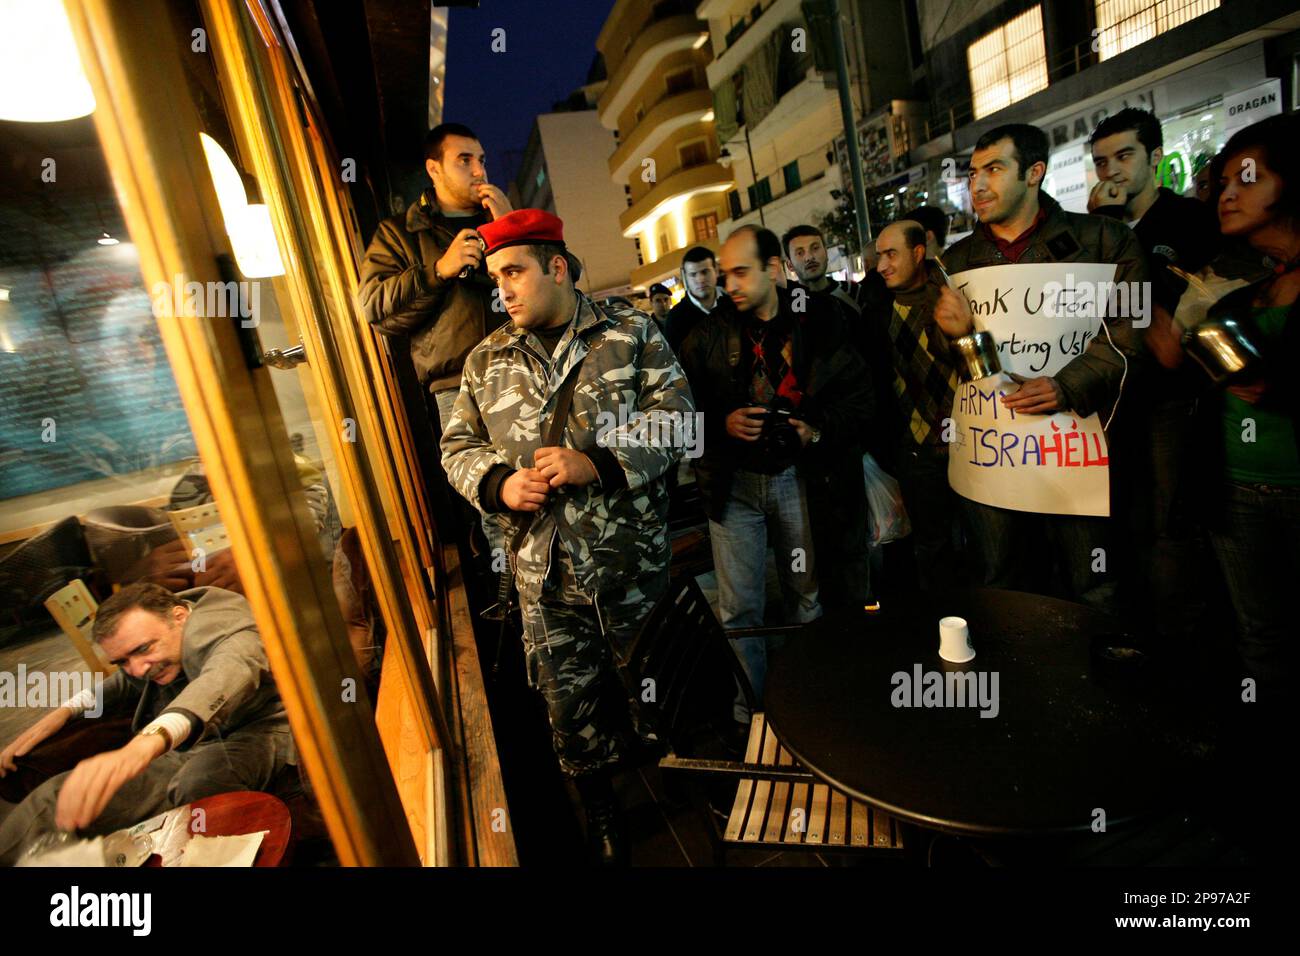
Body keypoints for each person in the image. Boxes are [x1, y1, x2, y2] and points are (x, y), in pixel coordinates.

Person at [439, 209, 693, 865]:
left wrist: (598, 463)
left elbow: (681, 421)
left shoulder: (632, 333)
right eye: (495, 277)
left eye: (515, 271)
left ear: (556, 266)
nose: (504, 290)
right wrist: (497, 483)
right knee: (569, 704)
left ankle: (694, 776)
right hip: (543, 577)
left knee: (662, 686)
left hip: (629, 562)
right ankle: (601, 805)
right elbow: (456, 446)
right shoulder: (486, 360)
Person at [934, 123, 1148, 609]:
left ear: (1034, 172)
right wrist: (958, 336)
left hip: (1076, 450)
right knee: (1001, 583)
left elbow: (1130, 335)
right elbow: (957, 365)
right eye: (972, 173)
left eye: (994, 169)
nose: (978, 185)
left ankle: (1100, 679)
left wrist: (1067, 385)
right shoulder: (955, 261)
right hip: (994, 453)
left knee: (1095, 583)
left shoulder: (1107, 241)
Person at [680, 225, 875, 728]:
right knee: (740, 608)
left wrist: (815, 430)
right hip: (733, 485)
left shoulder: (823, 319)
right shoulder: (707, 332)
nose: (729, 284)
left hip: (801, 478)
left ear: (773, 269)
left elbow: (859, 400)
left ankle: (809, 703)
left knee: (805, 595)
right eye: (724, 275)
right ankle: (754, 716)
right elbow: (679, 415)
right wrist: (720, 425)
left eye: (740, 271)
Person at [1147, 114, 1299, 701]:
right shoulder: (1236, 297)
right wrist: (1172, 345)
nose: (1226, 193)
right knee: (1260, 639)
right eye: (1224, 180)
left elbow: (1263, 383)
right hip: (1234, 490)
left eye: (1250, 177)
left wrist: (1275, 383)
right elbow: (1201, 372)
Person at [0, 583, 298, 865]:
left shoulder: (224, 624)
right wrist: (65, 711)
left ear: (180, 616)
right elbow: (123, 682)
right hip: (183, 745)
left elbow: (227, 673)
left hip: (258, 730)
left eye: (143, 649)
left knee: (198, 781)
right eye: (123, 659)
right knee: (55, 796)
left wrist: (143, 745)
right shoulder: (154, 642)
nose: (138, 668)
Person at [1088, 107, 1223, 640]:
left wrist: (1120, 242)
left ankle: (1179, 642)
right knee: (1120, 519)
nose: (1112, 172)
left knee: (1170, 524)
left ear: (1156, 158)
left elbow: (1169, 328)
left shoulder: (1190, 222)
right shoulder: (1094, 231)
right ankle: (1131, 631)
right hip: (1111, 400)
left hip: (1171, 399)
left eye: (1124, 156)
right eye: (1101, 162)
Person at [866, 220, 964, 590]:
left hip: (971, 446)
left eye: (891, 254)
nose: (882, 266)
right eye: (879, 256)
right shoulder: (876, 314)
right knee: (932, 550)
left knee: (985, 545)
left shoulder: (955, 298)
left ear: (918, 252)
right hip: (916, 456)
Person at [781, 224, 864, 315]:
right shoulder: (786, 305)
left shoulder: (853, 292)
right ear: (790, 265)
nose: (809, 257)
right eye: (800, 253)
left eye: (815, 248)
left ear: (826, 253)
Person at [664, 245, 730, 354]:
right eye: (693, 274)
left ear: (716, 270)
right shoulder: (676, 319)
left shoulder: (734, 304)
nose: (700, 279)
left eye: (705, 272)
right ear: (685, 277)